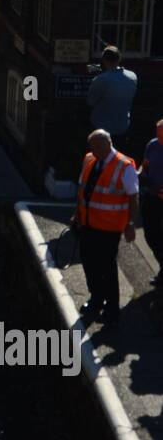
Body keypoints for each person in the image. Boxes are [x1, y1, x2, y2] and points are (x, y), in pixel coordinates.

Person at [72, 128, 139, 324]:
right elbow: (83, 189)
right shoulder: (89, 159)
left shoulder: (124, 166)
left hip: (109, 228)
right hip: (88, 224)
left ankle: (112, 308)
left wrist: (130, 223)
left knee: (106, 267)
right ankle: (96, 299)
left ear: (107, 144)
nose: (94, 152)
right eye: (92, 148)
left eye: (97, 148)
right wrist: (77, 213)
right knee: (89, 263)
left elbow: (133, 197)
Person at [86, 46, 138, 145]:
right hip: (123, 126)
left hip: (101, 129)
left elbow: (90, 102)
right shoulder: (133, 76)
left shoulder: (100, 79)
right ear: (119, 59)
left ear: (104, 60)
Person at [139, 118, 163, 286]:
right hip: (152, 197)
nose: (159, 138)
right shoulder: (152, 145)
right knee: (151, 234)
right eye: (158, 134)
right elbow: (145, 166)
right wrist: (140, 173)